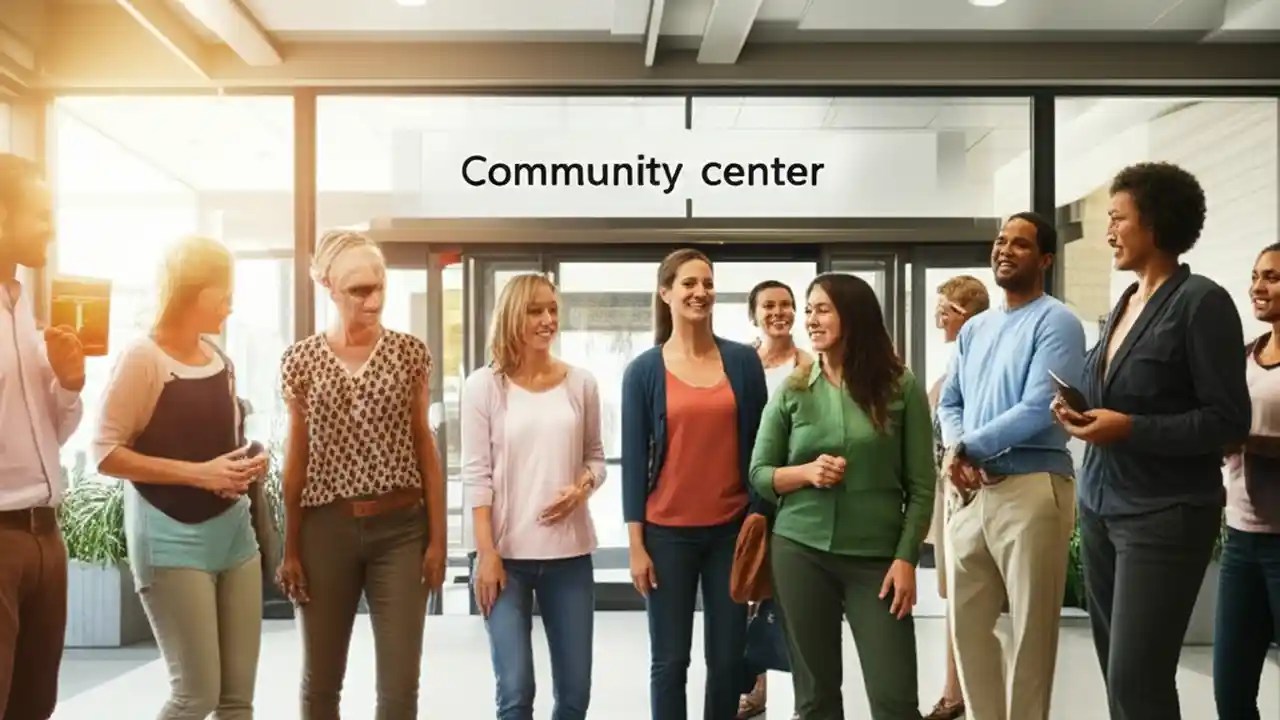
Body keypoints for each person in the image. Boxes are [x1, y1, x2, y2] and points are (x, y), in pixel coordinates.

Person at [1051, 161, 1251, 720]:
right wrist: (1076, 406)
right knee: (1119, 678)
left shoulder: (1201, 303)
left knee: (1139, 680)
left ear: (1155, 222)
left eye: (1118, 217)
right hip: (1101, 507)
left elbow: (1227, 422)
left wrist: (1131, 428)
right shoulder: (1123, 304)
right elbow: (1109, 389)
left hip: (1164, 515)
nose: (1108, 230)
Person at [275, 230, 447, 720]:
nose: (373, 301)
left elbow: (424, 446)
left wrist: (438, 539)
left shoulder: (410, 353)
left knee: (399, 687)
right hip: (325, 529)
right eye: (359, 291)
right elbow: (297, 458)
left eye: (380, 287)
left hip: (401, 528)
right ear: (330, 288)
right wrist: (290, 547)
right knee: (321, 682)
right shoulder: (301, 360)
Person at [94, 235, 268, 719]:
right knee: (196, 696)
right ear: (193, 291)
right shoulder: (143, 359)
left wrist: (251, 459)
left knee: (237, 702)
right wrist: (199, 475)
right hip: (171, 542)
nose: (230, 305)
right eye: (224, 293)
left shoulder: (220, 358)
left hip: (236, 539)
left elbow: (218, 445)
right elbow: (106, 453)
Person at [749, 272, 935, 720]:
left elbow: (922, 485)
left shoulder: (900, 386)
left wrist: (907, 558)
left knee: (895, 699)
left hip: (878, 561)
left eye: (822, 309)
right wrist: (806, 473)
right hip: (800, 551)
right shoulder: (792, 388)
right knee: (815, 698)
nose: (810, 319)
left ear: (853, 315)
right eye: (809, 310)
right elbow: (760, 473)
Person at [937, 213, 1086, 720]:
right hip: (972, 494)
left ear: (1045, 259)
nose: (1005, 249)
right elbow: (949, 401)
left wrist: (967, 450)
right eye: (1001, 241)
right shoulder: (975, 328)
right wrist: (960, 449)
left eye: (1020, 244)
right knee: (967, 629)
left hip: (1031, 489)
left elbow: (1041, 405)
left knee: (1031, 634)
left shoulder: (1056, 321)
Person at [620, 248, 769, 720]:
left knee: (727, 662)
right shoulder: (643, 371)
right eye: (688, 283)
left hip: (730, 533)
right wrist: (636, 545)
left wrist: (760, 522)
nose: (700, 292)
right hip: (666, 536)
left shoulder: (744, 363)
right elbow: (632, 463)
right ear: (665, 293)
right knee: (669, 662)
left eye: (707, 282)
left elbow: (762, 449)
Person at [462, 273, 606, 720]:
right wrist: (486, 554)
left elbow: (596, 459)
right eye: (535, 310)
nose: (547, 320)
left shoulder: (581, 384)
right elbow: (475, 476)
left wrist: (580, 489)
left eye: (552, 310)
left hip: (570, 557)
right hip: (504, 559)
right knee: (516, 691)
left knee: (575, 693)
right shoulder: (484, 386)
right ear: (512, 316)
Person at [0, 153, 84, 720]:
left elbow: (50, 428)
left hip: (45, 535)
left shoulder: (24, 302)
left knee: (35, 706)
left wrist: (70, 383)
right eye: (41, 214)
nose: (52, 228)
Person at [738, 279, 810, 720]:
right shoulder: (742, 364)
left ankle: (808, 692)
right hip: (751, 488)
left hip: (800, 488)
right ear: (754, 314)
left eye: (786, 305)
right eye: (769, 306)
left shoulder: (811, 364)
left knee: (800, 593)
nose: (778, 313)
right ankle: (754, 688)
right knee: (751, 589)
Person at [1215, 242, 1280, 720]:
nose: (1259, 287)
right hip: (1240, 539)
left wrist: (1246, 441)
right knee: (1232, 694)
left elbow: (1241, 434)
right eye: (1256, 275)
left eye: (1273, 277)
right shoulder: (1245, 355)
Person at [922, 275, 988, 720]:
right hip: (948, 495)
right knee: (955, 597)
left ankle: (963, 692)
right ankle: (954, 689)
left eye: (945, 310)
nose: (937, 318)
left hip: (976, 496)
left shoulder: (980, 368)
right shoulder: (949, 371)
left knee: (970, 598)